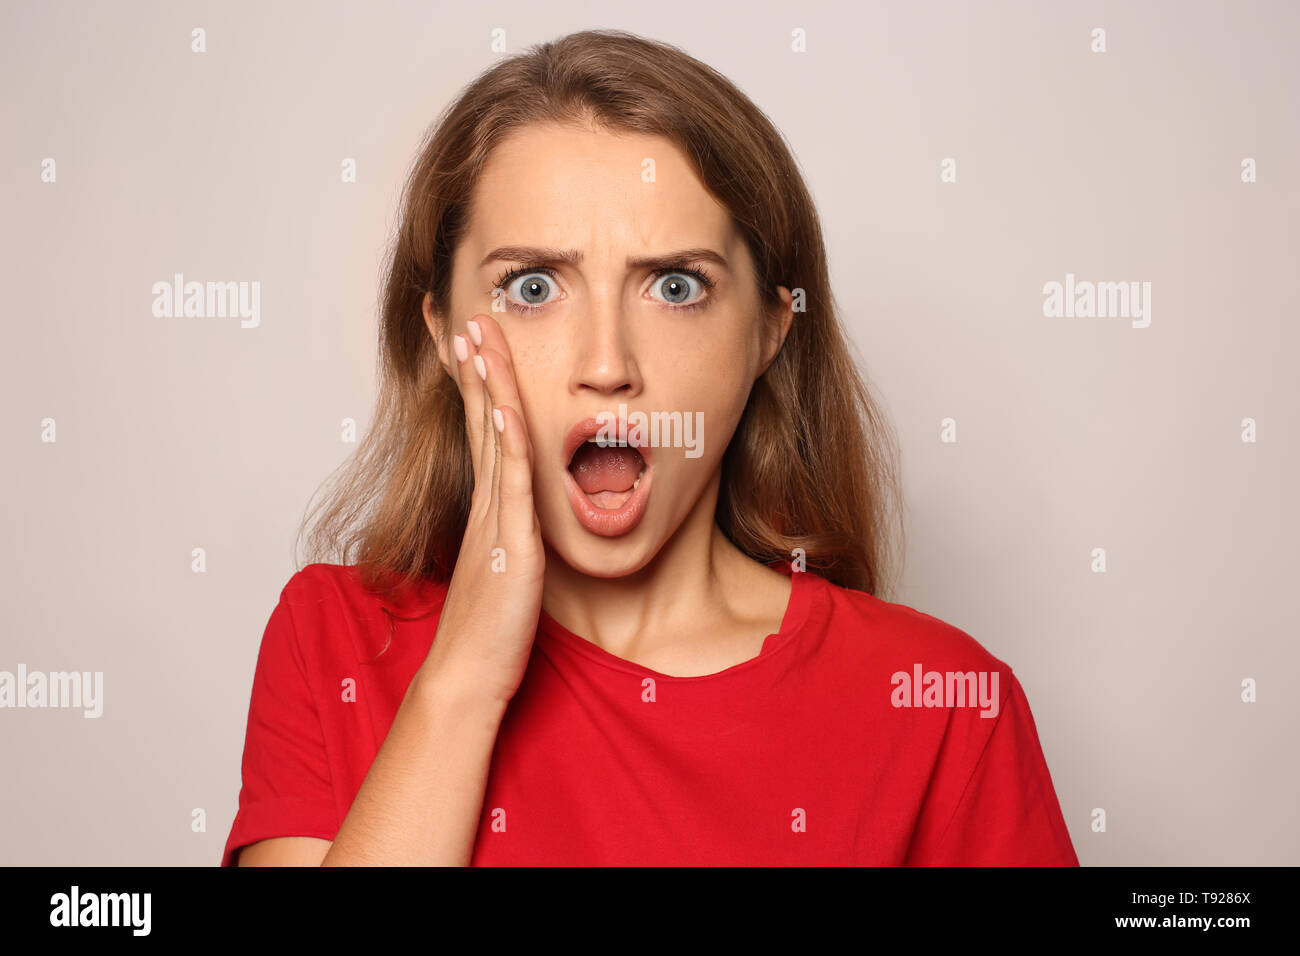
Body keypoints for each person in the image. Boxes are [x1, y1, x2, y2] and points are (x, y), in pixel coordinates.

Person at [221, 29, 1077, 866]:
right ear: (444, 332)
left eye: (675, 286)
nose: (607, 365)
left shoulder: (942, 704)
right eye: (533, 287)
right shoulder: (335, 643)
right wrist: (466, 676)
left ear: (771, 329)